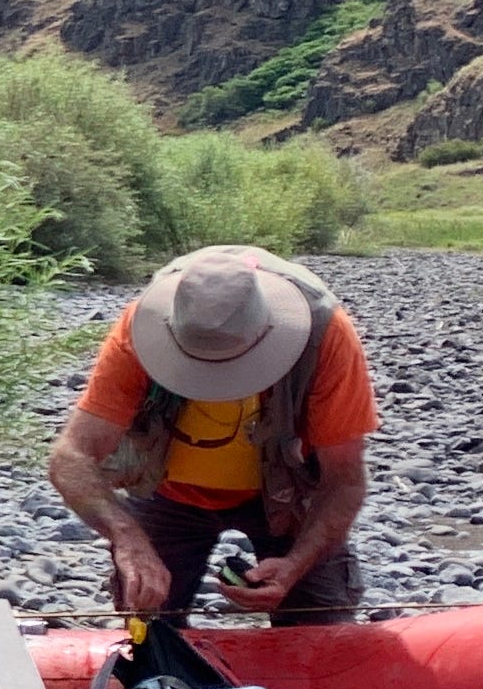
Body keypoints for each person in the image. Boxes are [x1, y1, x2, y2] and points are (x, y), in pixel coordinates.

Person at [45, 244, 376, 624]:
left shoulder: (324, 335)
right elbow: (70, 457)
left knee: (321, 632)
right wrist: (128, 540)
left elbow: (344, 479)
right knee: (149, 627)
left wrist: (296, 565)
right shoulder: (141, 328)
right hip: (167, 494)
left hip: (290, 498)